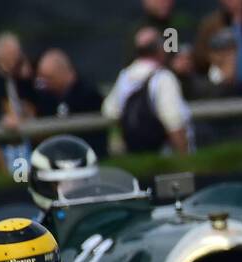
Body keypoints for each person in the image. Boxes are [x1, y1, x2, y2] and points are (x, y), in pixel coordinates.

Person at [102, 26, 193, 154]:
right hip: (166, 159)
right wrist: (185, 162)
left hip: (138, 157)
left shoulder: (125, 76)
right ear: (161, 49)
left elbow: (109, 111)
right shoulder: (163, 78)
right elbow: (174, 124)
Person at [0, 33, 46, 172]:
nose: (17, 57)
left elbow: (35, 100)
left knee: (23, 178)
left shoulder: (20, 80)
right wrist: (1, 119)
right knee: (14, 180)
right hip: (2, 145)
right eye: (13, 54)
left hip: (23, 140)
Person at [33, 51, 107, 158]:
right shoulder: (45, 97)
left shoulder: (88, 95)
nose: (45, 83)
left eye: (49, 78)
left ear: (61, 72)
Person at [26, 135, 100, 213]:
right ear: (41, 185)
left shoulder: (105, 217)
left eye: (78, 181)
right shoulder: (29, 223)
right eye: (58, 183)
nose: (71, 189)